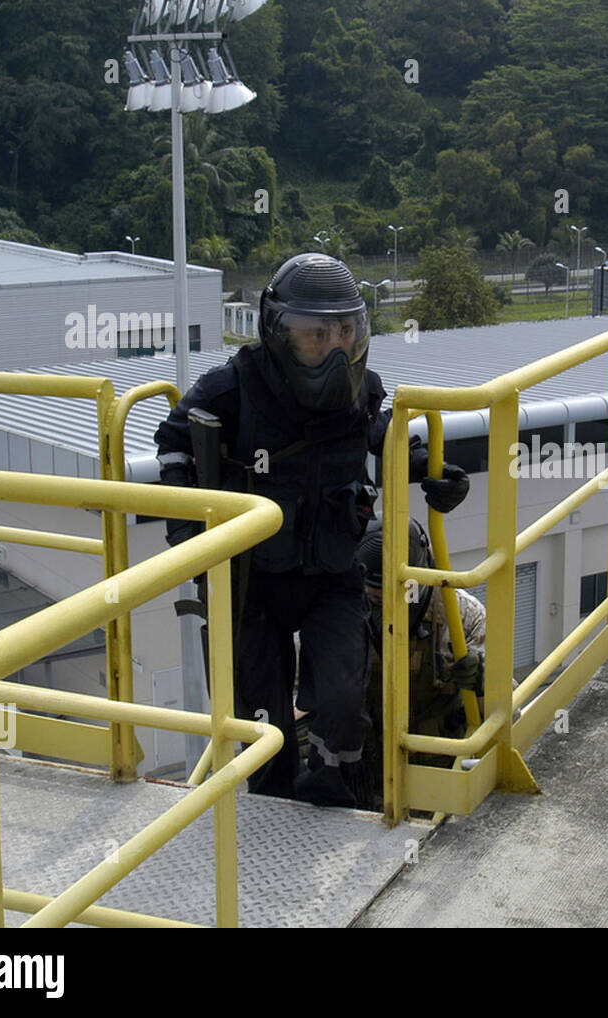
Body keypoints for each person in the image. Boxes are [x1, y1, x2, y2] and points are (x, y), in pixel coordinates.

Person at [154, 253, 468, 808]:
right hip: (251, 581)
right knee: (262, 723)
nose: (333, 351)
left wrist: (433, 472)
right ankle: (273, 813)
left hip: (331, 572)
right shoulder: (233, 386)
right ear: (277, 332)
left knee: (345, 703)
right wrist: (190, 540)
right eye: (314, 336)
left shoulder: (361, 391)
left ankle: (328, 790)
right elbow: (174, 442)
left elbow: (386, 439)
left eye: (344, 332)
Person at [353, 517, 487, 808]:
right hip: (365, 777)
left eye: (398, 591)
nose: (387, 604)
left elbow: (505, 714)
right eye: (376, 595)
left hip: (440, 776)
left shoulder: (461, 614)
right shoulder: (343, 615)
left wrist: (483, 679)